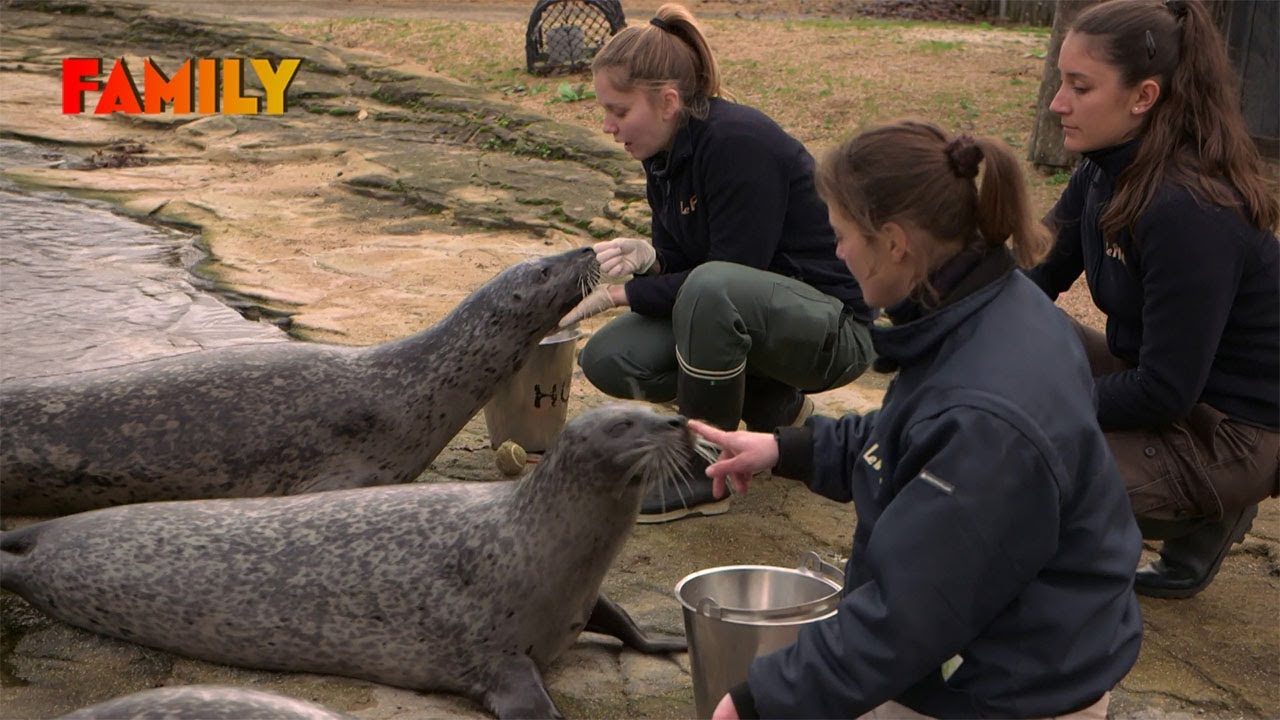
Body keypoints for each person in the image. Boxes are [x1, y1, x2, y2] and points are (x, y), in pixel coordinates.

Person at [689, 121, 1143, 719]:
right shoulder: (992, 307)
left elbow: (908, 614)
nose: (837, 253)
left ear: (895, 243)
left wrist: (759, 700)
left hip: (1006, 689)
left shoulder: (986, 420)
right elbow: (911, 434)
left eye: (842, 235)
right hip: (1010, 647)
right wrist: (788, 449)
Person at [559, 3, 876, 523]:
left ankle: (704, 470)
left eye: (619, 111)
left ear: (667, 101)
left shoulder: (737, 144)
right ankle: (773, 404)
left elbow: (723, 279)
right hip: (754, 316)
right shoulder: (663, 155)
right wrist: (653, 260)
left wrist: (621, 294)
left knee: (711, 290)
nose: (608, 126)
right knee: (610, 356)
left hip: (833, 331)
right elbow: (689, 270)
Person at [1026, 0, 1279, 599]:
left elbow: (1165, 390)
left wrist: (1032, 410)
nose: (1058, 103)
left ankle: (1208, 508)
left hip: (1231, 430)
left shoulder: (1186, 209)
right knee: (1013, 330)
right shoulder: (1104, 170)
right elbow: (1032, 278)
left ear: (1143, 97)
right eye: (1062, 82)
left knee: (1024, 468)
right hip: (1166, 384)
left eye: (1080, 87)